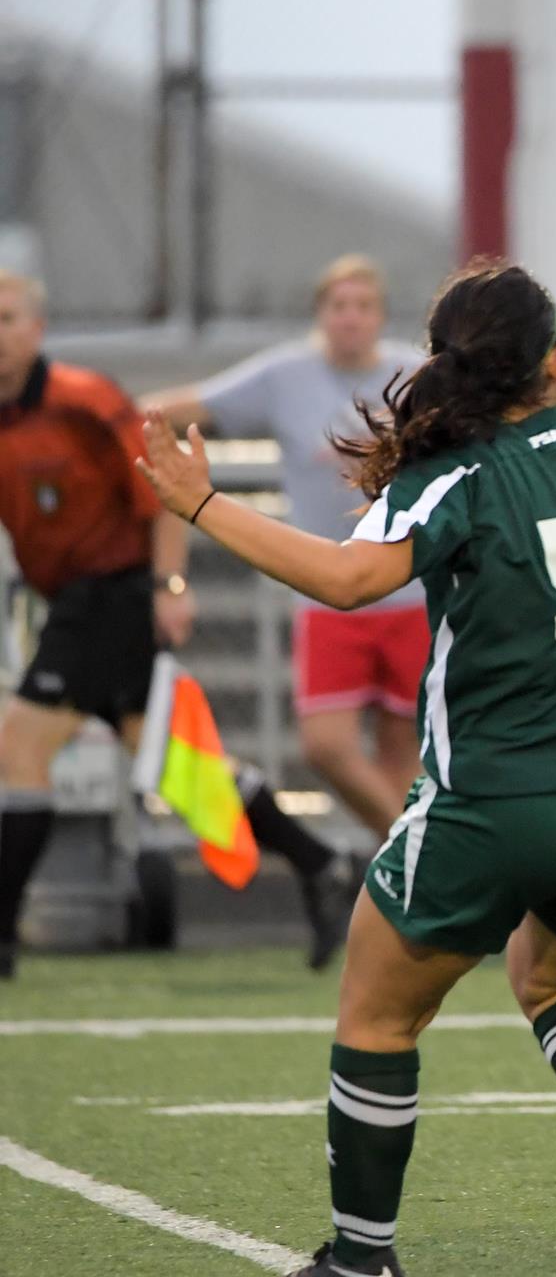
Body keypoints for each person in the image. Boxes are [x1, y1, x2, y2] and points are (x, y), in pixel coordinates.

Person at [136, 260, 556, 1277]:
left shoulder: (455, 472)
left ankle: (362, 1254)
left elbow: (350, 580)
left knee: (375, 1012)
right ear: (555, 364)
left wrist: (201, 504)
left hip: (500, 796)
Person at [0, 270, 346, 977]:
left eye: (6, 318)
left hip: (114, 596)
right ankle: (323, 864)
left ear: (37, 329)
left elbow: (159, 492)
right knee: (178, 770)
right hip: (71, 601)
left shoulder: (84, 401)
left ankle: (1, 936)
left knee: (20, 748)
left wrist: (169, 585)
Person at [148, 255, 431, 841]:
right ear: (320, 314)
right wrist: (105, 414)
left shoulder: (415, 375)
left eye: (363, 306)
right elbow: (170, 409)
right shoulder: (285, 376)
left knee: (403, 750)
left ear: (380, 316)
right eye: (339, 306)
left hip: (410, 588)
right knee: (325, 745)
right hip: (326, 587)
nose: (351, 319)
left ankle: (406, 875)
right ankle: (415, 847)